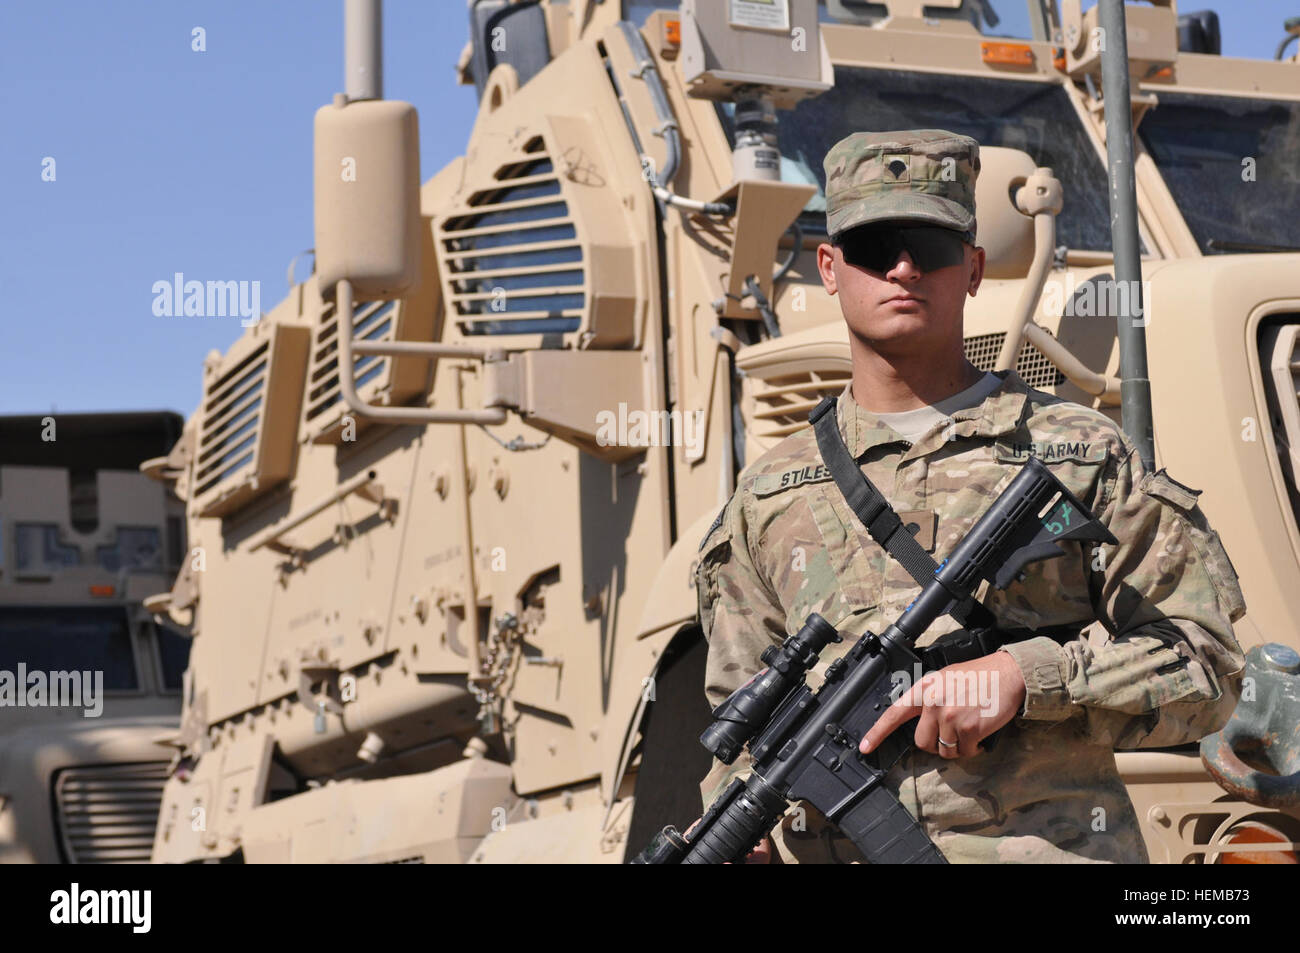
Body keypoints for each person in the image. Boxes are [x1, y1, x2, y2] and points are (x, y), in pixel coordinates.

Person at [694, 129, 1247, 864]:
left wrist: (1029, 677)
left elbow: (1209, 669)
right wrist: (738, 829)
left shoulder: (1082, 453)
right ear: (829, 267)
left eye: (931, 245)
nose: (902, 267)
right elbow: (738, 718)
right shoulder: (768, 493)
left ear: (974, 267)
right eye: (873, 247)